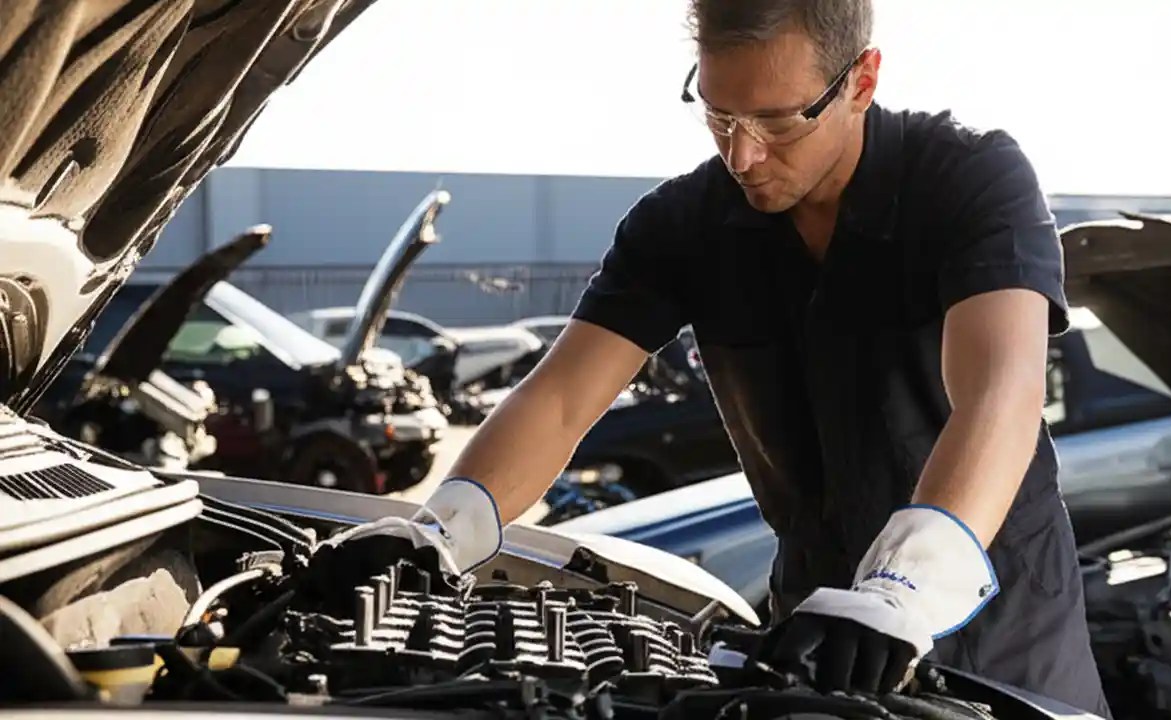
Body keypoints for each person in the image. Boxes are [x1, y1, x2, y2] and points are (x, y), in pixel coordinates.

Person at [331, 0, 1112, 715]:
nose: (742, 155)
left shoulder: (969, 179)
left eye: (776, 122)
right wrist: (445, 528)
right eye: (717, 114)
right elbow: (561, 399)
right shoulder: (682, 226)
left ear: (862, 80)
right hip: (814, 619)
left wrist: (904, 590)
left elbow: (999, 397)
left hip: (1004, 630)